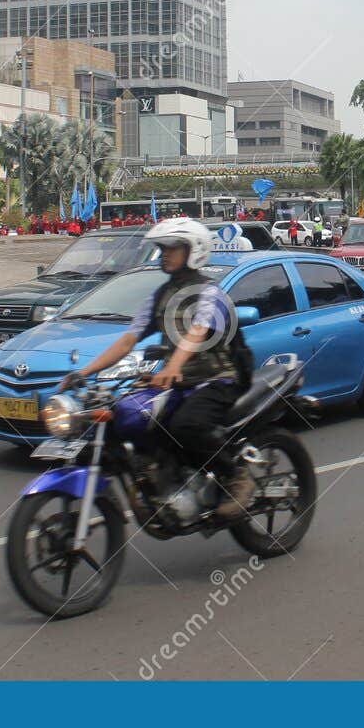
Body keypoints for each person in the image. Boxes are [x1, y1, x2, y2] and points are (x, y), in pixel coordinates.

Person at [70, 219, 255, 518]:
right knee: (132, 417)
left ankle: (236, 475)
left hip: (220, 379)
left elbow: (197, 332)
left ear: (193, 251)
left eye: (173, 248)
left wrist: (172, 366)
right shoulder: (159, 297)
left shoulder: (209, 293)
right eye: (162, 248)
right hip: (182, 383)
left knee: (187, 425)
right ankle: (166, 478)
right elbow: (127, 341)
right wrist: (83, 373)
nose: (165, 254)